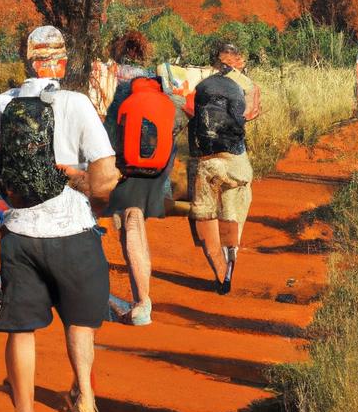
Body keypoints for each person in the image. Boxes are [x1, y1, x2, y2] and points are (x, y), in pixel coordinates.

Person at [0, 26, 119, 412]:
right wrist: (82, 185)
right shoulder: (76, 103)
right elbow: (106, 175)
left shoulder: (2, 103)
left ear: (27, 60)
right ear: (61, 61)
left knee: (21, 327)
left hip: (19, 233)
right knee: (79, 323)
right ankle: (85, 399)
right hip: (73, 233)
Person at [104, 32, 176, 326]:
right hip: (159, 167)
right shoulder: (155, 82)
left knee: (129, 223)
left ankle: (142, 302)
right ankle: (141, 297)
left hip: (127, 165)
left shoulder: (115, 82)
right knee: (137, 223)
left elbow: (108, 128)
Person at [187, 42, 256, 294]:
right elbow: (249, 115)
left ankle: (218, 271)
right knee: (232, 211)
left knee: (206, 215)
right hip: (234, 159)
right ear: (237, 61)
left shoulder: (201, 85)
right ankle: (230, 260)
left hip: (206, 160)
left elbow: (191, 120)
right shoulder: (244, 85)